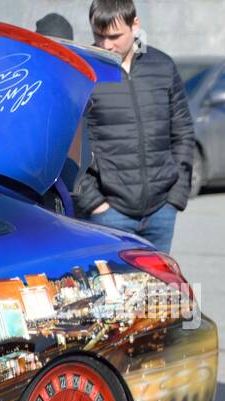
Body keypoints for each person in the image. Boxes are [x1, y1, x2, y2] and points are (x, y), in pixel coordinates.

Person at [73, 0, 194, 254]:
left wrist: (177, 196)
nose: (106, 45)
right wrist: (93, 203)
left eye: (115, 36)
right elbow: (70, 146)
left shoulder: (162, 66)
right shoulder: (83, 74)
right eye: (99, 35)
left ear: (135, 25)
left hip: (162, 211)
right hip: (107, 214)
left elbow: (183, 132)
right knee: (111, 294)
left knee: (156, 292)